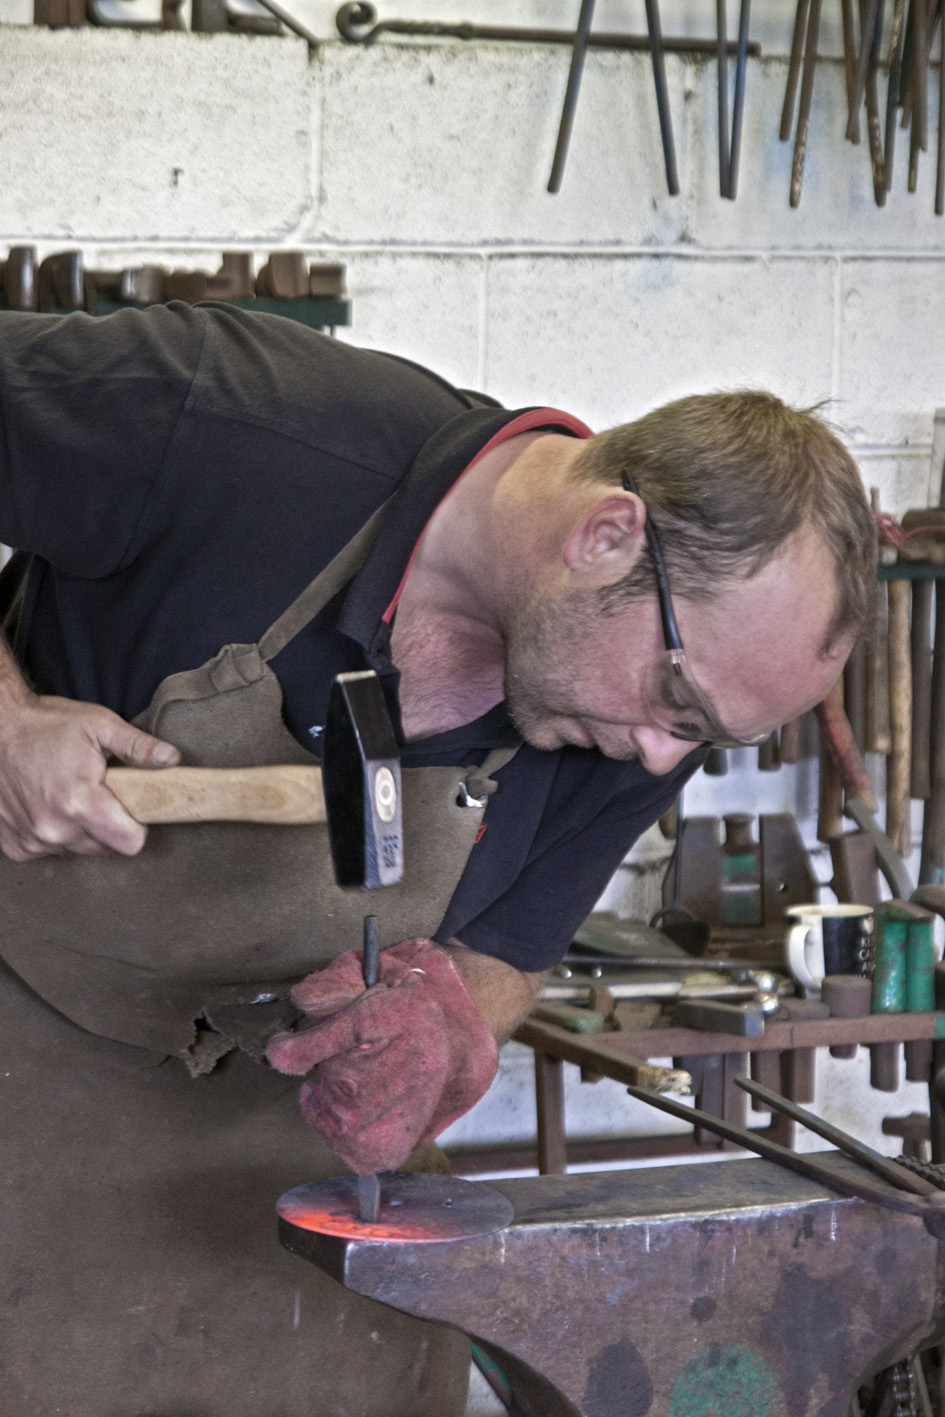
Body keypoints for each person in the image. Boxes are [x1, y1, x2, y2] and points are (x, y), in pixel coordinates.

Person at [0, 300, 876, 1415]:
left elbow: (504, 953)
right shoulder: (231, 421)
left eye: (709, 735)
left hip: (281, 1161)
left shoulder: (648, 719)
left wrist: (445, 1034)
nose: (663, 754)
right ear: (607, 536)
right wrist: (8, 720)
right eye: (677, 701)